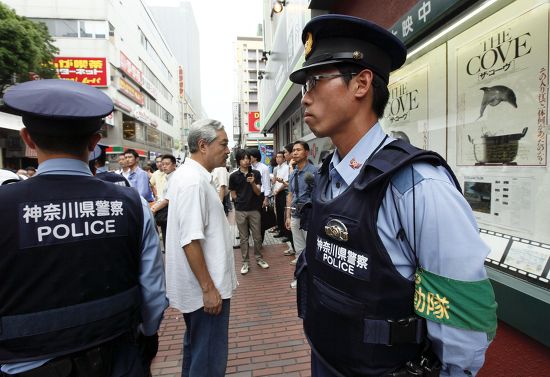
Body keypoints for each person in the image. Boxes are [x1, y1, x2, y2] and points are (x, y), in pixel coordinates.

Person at [288, 15, 497, 377]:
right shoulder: (327, 174)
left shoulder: (418, 186)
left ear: (362, 83)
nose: (305, 97)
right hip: (325, 360)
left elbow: (463, 317)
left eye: (316, 80)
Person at [0, 79, 168, 376]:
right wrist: (146, 335)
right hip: (119, 357)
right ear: (94, 142)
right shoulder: (131, 205)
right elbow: (153, 293)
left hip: (25, 364)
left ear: (27, 138)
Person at [164, 119, 237, 377]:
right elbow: (190, 240)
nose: (228, 150)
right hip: (206, 291)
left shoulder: (191, 177)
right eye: (224, 143)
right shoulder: (193, 182)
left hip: (203, 290)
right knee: (208, 361)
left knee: (198, 354)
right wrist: (208, 288)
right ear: (203, 145)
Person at [229, 149, 269, 275]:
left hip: (254, 209)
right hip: (241, 210)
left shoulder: (256, 173)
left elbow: (258, 192)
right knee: (243, 238)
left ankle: (259, 258)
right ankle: (245, 262)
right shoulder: (233, 176)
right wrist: (239, 202)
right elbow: (233, 194)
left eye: (248, 158)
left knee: (257, 237)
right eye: (243, 158)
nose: (246, 161)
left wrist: (252, 183)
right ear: (239, 161)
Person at [285, 141, 316, 289]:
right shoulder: (293, 173)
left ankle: (313, 280)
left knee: (311, 250)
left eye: (298, 150)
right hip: (295, 215)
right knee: (299, 250)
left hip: (309, 216)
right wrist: (288, 215)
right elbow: (290, 195)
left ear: (306, 153)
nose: (295, 153)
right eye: (293, 150)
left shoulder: (314, 172)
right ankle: (301, 278)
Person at [151, 154, 177, 250]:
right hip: (165, 212)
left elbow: (167, 199)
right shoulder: (167, 177)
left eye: (167, 164)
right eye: (163, 164)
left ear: (174, 165)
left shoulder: (175, 178)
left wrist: (153, 209)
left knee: (169, 239)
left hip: (170, 213)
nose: (164, 166)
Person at [272, 151, 289, 238]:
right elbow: (276, 182)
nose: (277, 158)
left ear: (284, 158)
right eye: (277, 157)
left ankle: (286, 233)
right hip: (277, 192)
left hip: (283, 192)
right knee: (278, 212)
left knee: (284, 213)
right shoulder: (277, 168)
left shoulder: (286, 167)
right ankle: (281, 230)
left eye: (279, 157)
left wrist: (278, 190)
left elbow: (285, 182)